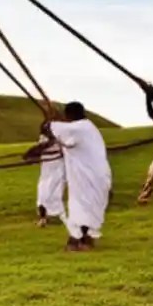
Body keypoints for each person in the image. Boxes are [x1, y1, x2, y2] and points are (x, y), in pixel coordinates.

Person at [42, 102, 111, 251]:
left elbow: (49, 129)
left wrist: (51, 121)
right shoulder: (89, 127)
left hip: (86, 176)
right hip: (98, 175)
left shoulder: (78, 128)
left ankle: (77, 240)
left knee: (80, 205)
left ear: (69, 115)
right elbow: (62, 136)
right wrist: (55, 122)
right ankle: (85, 239)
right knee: (90, 207)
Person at [24, 133, 65, 226]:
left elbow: (45, 145)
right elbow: (42, 146)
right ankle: (45, 217)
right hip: (47, 168)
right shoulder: (47, 135)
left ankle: (53, 216)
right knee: (44, 191)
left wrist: (32, 153)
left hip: (57, 166)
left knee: (53, 192)